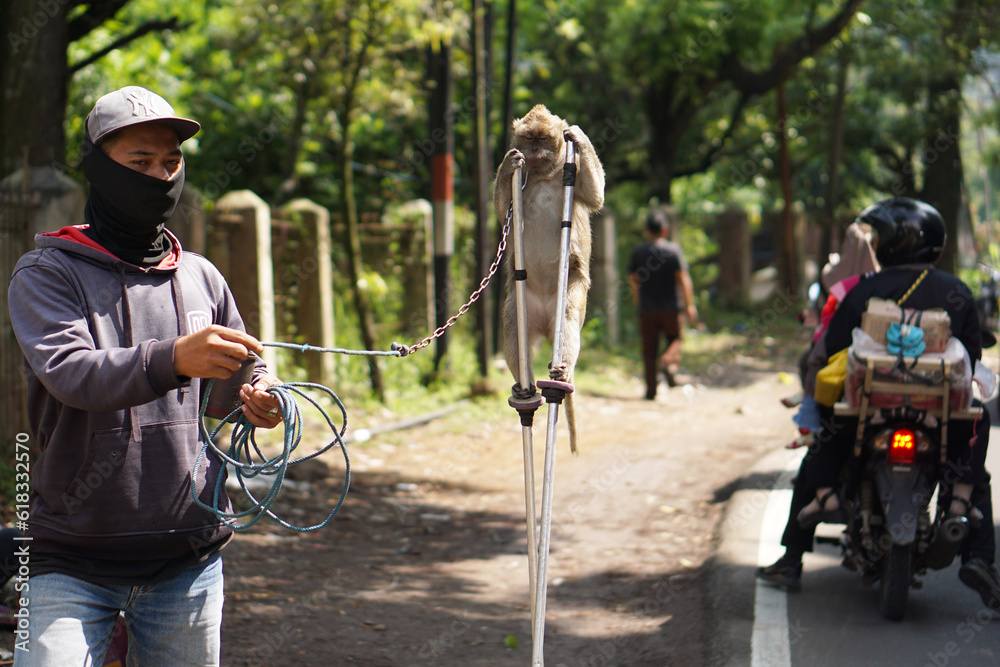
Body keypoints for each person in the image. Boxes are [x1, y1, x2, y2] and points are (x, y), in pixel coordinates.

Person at [7, 86, 283, 665]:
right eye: (140, 163)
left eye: (172, 162)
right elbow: (72, 374)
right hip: (67, 557)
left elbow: (239, 375)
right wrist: (174, 357)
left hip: (188, 558)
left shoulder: (202, 276)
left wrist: (261, 396)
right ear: (97, 171)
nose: (161, 176)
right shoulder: (46, 273)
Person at [756, 198, 1000, 609]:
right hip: (939, 415)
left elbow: (833, 350)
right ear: (935, 245)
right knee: (975, 432)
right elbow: (972, 359)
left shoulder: (864, 289)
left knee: (824, 440)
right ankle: (979, 556)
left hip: (869, 411)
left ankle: (793, 556)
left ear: (892, 245)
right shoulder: (956, 291)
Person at [627, 210, 697, 399]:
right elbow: (682, 278)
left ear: (646, 231)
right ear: (665, 230)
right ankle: (667, 360)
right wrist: (690, 305)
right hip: (671, 308)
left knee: (649, 351)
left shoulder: (639, 252)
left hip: (647, 309)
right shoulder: (674, 251)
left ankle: (651, 391)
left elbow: (633, 279)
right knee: (676, 339)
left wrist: (638, 299)